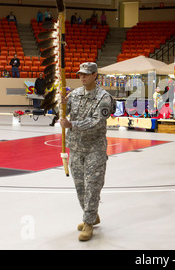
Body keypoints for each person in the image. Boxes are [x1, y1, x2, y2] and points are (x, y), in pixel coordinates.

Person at [60, 62, 115, 241]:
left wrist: (72, 124)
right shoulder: (74, 94)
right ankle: (91, 215)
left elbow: (97, 121)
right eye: (80, 74)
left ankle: (89, 223)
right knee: (80, 187)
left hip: (95, 149)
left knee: (92, 186)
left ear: (95, 75)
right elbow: (63, 112)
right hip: (76, 147)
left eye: (86, 74)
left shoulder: (104, 98)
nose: (82, 77)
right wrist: (60, 104)